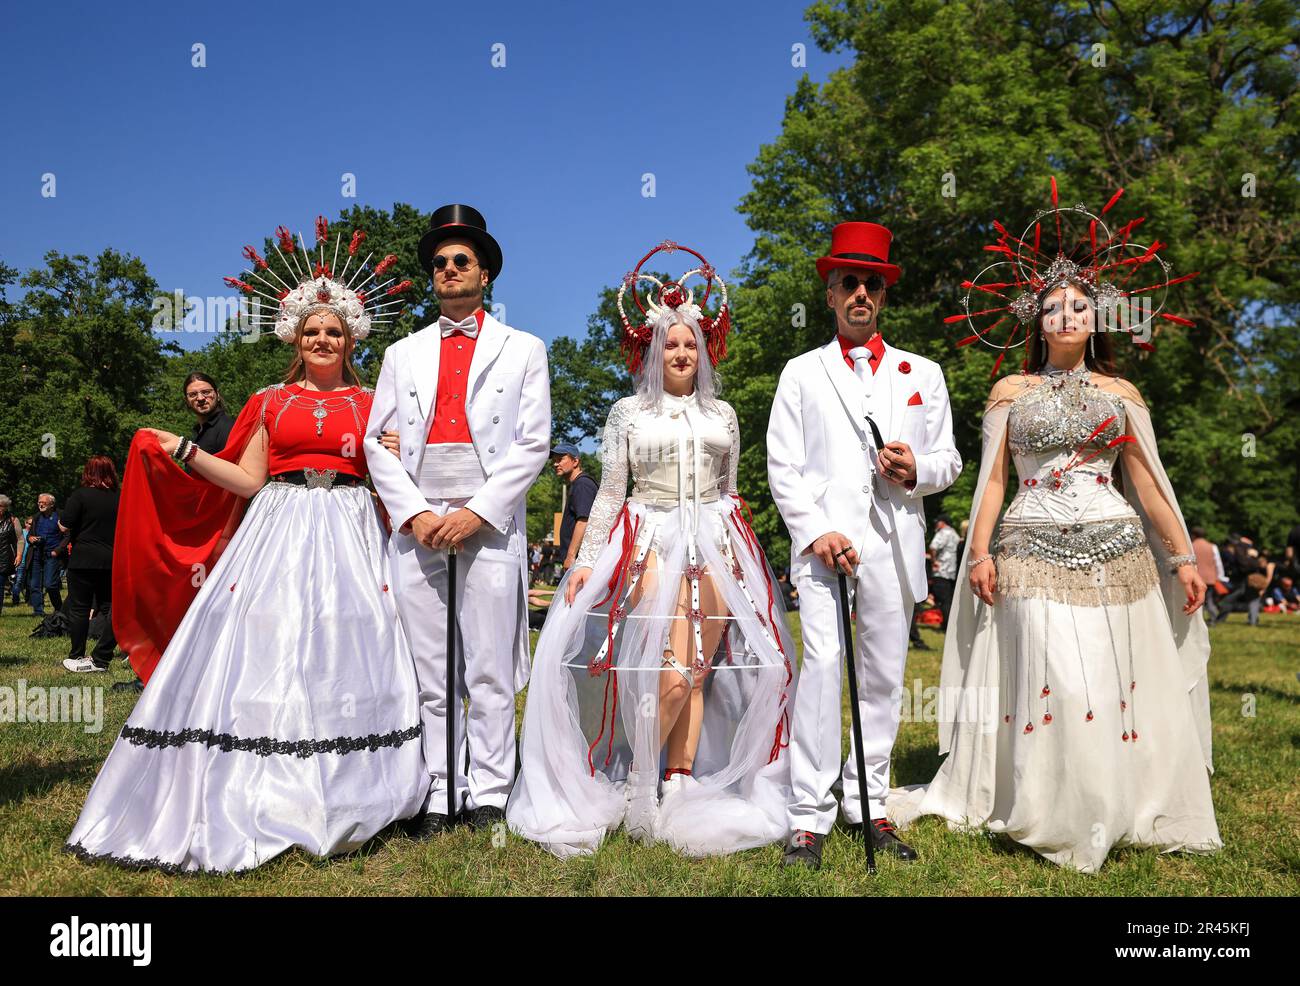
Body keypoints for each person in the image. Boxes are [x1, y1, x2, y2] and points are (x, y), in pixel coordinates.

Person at [65, 217, 425, 873]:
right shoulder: (269, 400)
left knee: (352, 638)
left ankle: (358, 788)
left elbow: (392, 475)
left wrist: (400, 454)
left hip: (350, 526)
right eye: (312, 331)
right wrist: (183, 449)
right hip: (279, 527)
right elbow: (249, 479)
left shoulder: (377, 401)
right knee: (266, 637)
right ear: (296, 335)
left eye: (333, 332)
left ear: (350, 339)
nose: (322, 339)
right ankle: (254, 786)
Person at [888, 180, 1221, 872]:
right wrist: (978, 553)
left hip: (1118, 548)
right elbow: (994, 482)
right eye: (1053, 308)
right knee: (1057, 674)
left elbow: (1150, 485)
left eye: (1079, 307)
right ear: (1036, 322)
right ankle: (1048, 804)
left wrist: (1183, 557)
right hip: (1027, 545)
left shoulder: (1122, 396)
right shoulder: (1011, 392)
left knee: (1105, 676)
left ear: (1095, 320)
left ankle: (1114, 801)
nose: (1067, 315)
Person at [508, 242, 795, 858]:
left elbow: (733, 488)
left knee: (698, 671)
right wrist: (585, 564)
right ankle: (634, 779)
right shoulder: (627, 413)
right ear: (652, 350)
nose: (682, 352)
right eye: (670, 343)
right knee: (667, 666)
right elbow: (611, 492)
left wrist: (744, 556)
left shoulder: (724, 412)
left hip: (717, 539)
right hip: (651, 536)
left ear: (704, 349)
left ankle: (680, 781)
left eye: (690, 342)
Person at [768, 221, 962, 868]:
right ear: (828, 293)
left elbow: (950, 460)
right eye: (847, 282)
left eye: (870, 283)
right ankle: (808, 817)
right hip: (824, 547)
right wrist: (814, 530)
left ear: (883, 295)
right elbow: (783, 466)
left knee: (882, 679)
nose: (859, 293)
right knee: (823, 672)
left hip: (895, 541)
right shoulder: (801, 372)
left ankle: (868, 804)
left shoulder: (923, 373)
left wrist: (918, 470)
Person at [368, 204, 550, 837]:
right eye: (439, 263)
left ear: (485, 275)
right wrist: (414, 513)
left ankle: (492, 791)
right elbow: (375, 442)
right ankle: (443, 785)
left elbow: (532, 444)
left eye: (461, 261)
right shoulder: (401, 352)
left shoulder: (524, 348)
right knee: (430, 666)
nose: (448, 270)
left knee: (489, 663)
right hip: (419, 517)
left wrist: (477, 513)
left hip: (488, 518)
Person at [58, 457, 121, 672]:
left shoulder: (80, 495)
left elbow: (65, 527)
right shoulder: (120, 497)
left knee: (80, 608)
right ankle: (113, 650)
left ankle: (76, 654)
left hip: (83, 559)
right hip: (111, 559)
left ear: (88, 473)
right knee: (111, 607)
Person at [552, 442, 598, 574]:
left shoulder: (582, 484)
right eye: (554, 460)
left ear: (575, 461)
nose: (555, 464)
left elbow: (583, 521)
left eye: (560, 459)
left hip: (580, 561)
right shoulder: (579, 484)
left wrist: (571, 556)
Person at [28, 493, 64, 616]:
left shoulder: (60, 516)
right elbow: (29, 535)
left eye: (43, 502)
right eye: (39, 502)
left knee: (50, 584)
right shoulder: (37, 517)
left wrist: (57, 550)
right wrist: (30, 538)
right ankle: (38, 611)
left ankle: (59, 608)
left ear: (51, 504)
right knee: (34, 585)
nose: (40, 504)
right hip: (37, 553)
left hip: (52, 555)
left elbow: (67, 535)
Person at [184, 372, 236, 454]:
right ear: (187, 401)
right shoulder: (196, 432)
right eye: (193, 394)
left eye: (206, 392)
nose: (200, 398)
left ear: (217, 395)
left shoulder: (230, 428)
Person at [929, 515, 960, 631]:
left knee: (942, 600)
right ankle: (949, 625)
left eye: (937, 522)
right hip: (952, 572)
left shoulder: (943, 533)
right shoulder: (955, 534)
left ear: (943, 523)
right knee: (948, 600)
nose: (936, 524)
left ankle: (946, 626)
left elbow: (933, 547)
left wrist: (934, 561)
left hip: (941, 571)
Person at [1191, 526, 1228, 622]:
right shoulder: (1212, 546)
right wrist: (1220, 576)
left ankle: (1201, 619)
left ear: (1193, 535)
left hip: (1196, 577)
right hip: (1210, 578)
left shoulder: (1191, 546)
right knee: (1209, 599)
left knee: (1197, 599)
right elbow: (1218, 563)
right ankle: (1213, 617)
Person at [0, 496, 17, 616]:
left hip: (4, 557)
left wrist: (19, 554)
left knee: (0, 584)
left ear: (6, 508)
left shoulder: (12, 520)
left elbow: (20, 539)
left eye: (2, 506)